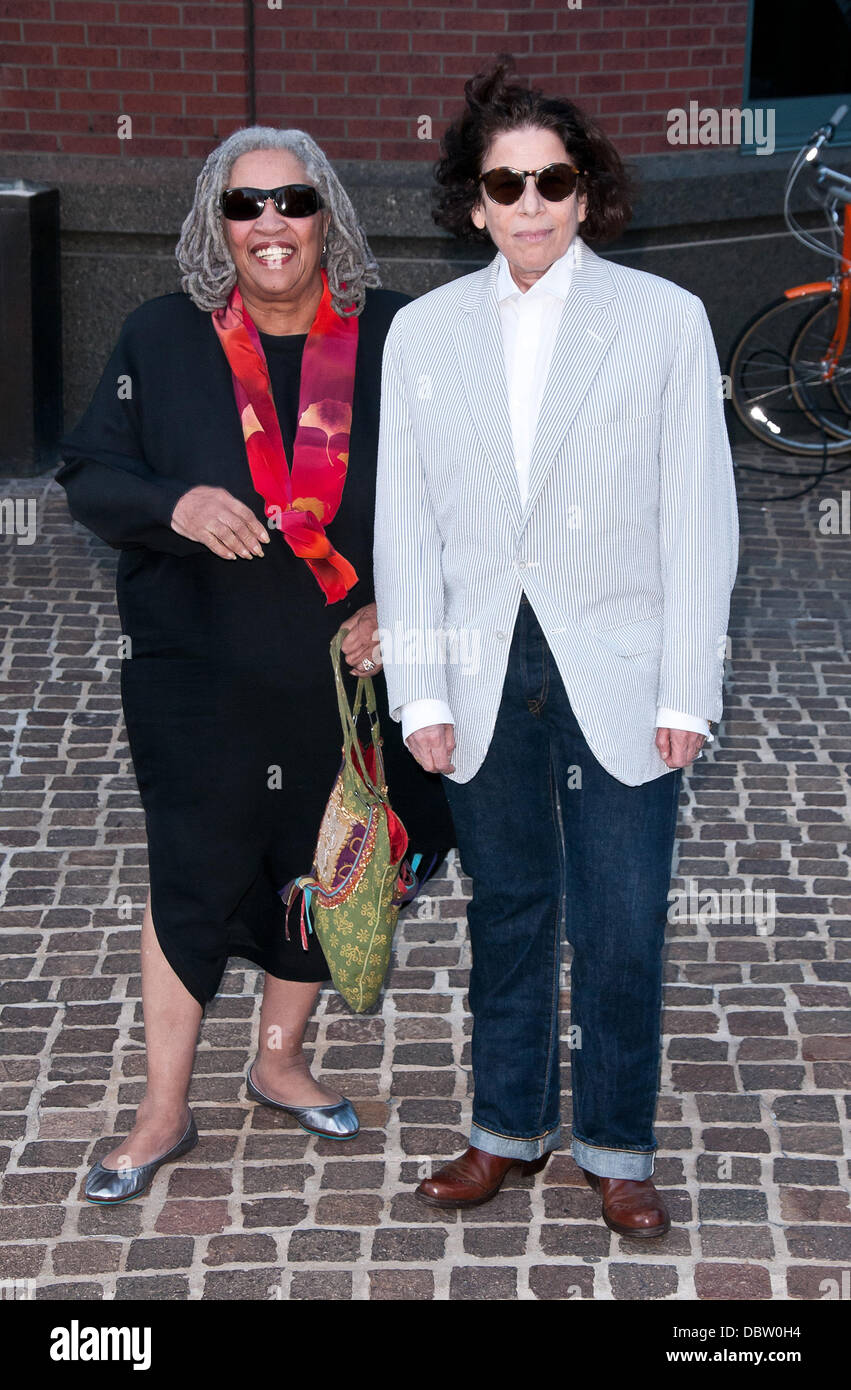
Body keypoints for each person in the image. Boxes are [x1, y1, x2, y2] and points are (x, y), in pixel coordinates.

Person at [373, 59, 738, 1238]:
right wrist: (420, 684)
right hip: (482, 670)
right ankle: (503, 1130)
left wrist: (687, 684)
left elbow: (699, 516)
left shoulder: (661, 320)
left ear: (587, 194)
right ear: (470, 201)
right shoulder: (423, 334)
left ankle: (617, 1146)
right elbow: (406, 525)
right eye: (503, 183)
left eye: (553, 180)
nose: (528, 203)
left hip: (619, 667)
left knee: (623, 920)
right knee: (507, 912)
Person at [56, 126, 454, 1204]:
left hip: (346, 674)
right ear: (213, 223)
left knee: (319, 863)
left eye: (291, 200)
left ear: (328, 212)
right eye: (245, 206)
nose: (269, 224)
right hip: (199, 675)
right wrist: (169, 503)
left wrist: (402, 608)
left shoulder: (397, 341)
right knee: (192, 871)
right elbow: (89, 471)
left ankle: (278, 1059)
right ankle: (162, 1107)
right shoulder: (161, 339)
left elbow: (458, 502)